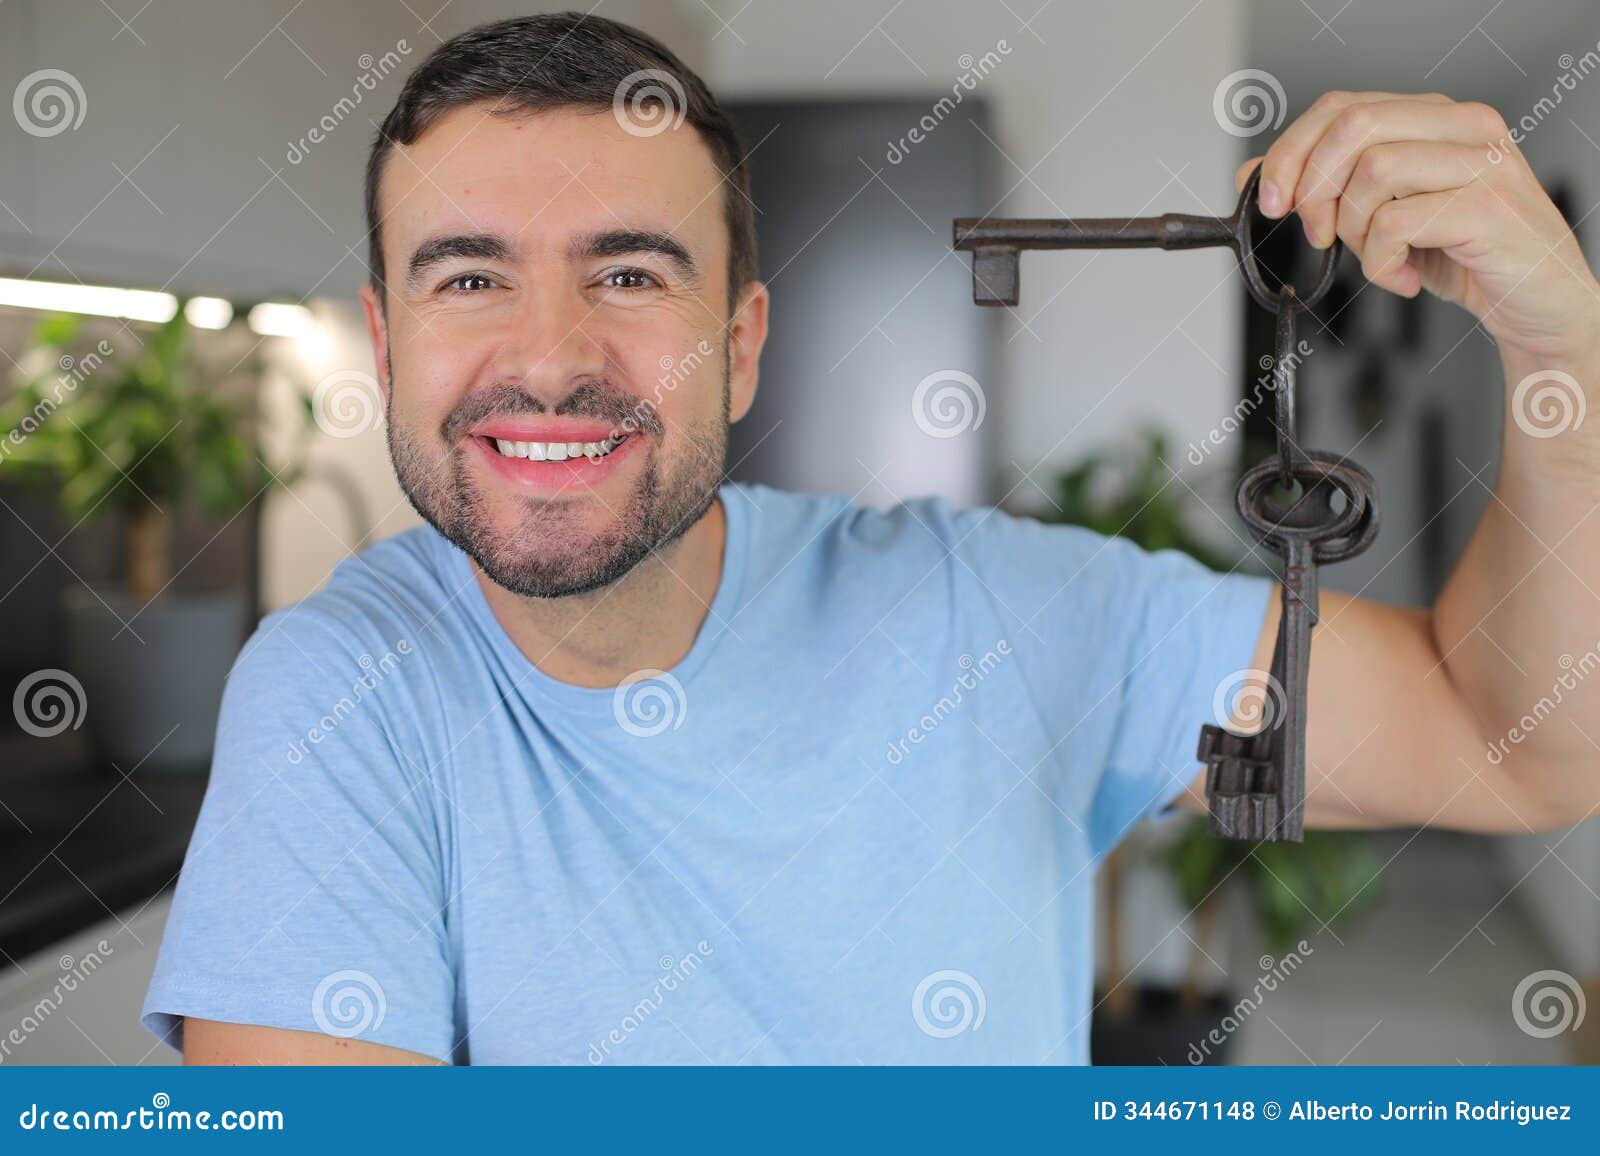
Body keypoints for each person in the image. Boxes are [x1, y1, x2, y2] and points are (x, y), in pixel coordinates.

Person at [143, 12, 1600, 1064]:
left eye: (630, 273)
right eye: (470, 278)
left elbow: (1517, 739)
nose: (548, 355)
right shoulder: (341, 696)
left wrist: (1565, 342)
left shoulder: (1003, 613)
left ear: (743, 345)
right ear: (387, 346)